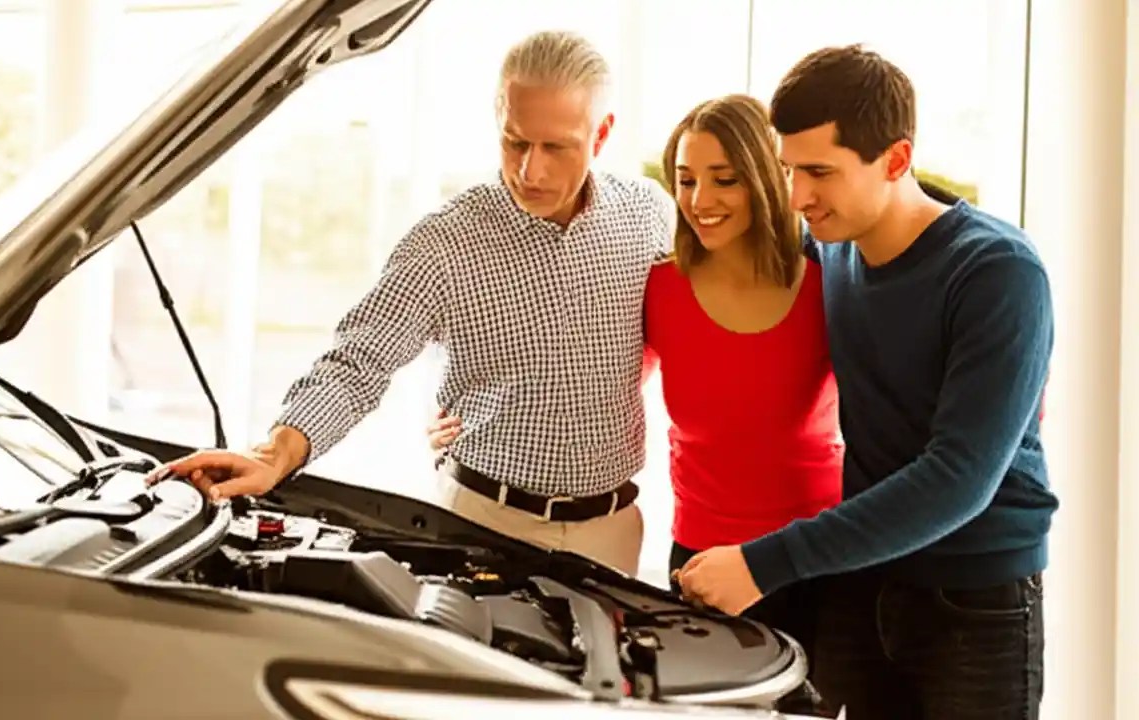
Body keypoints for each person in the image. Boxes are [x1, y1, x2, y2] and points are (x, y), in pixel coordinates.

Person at [149, 30, 675, 577]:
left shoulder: (647, 215)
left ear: (602, 135)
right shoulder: (444, 242)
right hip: (481, 524)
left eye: (555, 147)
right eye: (515, 142)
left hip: (612, 533)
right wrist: (275, 454)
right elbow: (359, 361)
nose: (530, 170)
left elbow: (699, 326)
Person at [674, 45, 1056, 720]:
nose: (796, 196)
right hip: (859, 582)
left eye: (819, 172)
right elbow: (737, 256)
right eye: (789, 169)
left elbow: (959, 476)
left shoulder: (999, 273)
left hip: (974, 601)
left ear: (897, 159)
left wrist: (764, 564)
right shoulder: (831, 244)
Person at [429, 94, 845, 672]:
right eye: (686, 180)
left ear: (766, 178)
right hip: (699, 560)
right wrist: (469, 413)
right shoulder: (662, 289)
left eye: (724, 180)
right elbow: (587, 374)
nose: (700, 201)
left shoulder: (829, 289)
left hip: (812, 561)